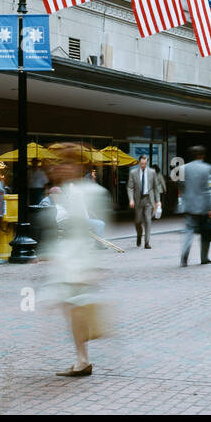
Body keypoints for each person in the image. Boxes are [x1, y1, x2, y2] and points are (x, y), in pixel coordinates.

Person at [42, 143, 112, 377]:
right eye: (59, 163)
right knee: (70, 307)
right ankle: (82, 357)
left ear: (77, 166)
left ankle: (85, 353)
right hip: (69, 258)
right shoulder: (70, 190)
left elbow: (89, 227)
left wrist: (90, 265)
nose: (61, 168)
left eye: (66, 163)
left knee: (74, 307)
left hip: (78, 259)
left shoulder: (86, 192)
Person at [180, 145, 211, 267]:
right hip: (203, 206)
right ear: (202, 155)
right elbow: (207, 190)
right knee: (205, 232)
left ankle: (184, 256)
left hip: (189, 205)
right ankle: (204, 258)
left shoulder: (184, 168)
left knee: (189, 231)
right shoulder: (206, 168)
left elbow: (181, 186)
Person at [127, 154, 162, 248]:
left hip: (148, 200)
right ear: (139, 163)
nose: (144, 165)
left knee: (148, 220)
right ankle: (139, 235)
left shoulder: (152, 172)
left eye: (145, 163)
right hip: (138, 200)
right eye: (142, 163)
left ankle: (147, 242)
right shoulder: (133, 173)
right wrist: (131, 199)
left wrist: (158, 200)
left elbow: (155, 188)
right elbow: (130, 187)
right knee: (138, 221)